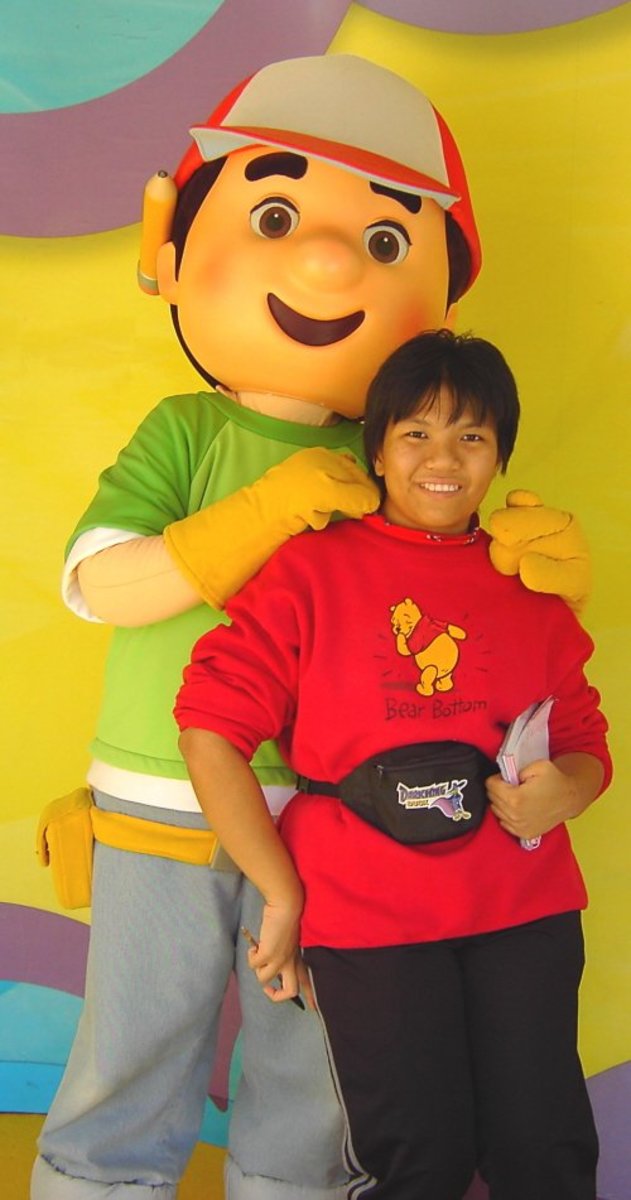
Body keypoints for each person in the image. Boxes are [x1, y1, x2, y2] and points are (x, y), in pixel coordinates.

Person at [33, 55, 592, 1200]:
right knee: (138, 1042)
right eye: (277, 217)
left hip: (339, 817)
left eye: (384, 240)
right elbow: (95, 584)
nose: (331, 262)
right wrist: (259, 515)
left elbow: (461, 624)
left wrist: (540, 578)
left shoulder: (394, 454)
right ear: (169, 249)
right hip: (163, 793)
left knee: (314, 1069)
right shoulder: (187, 431)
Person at [175, 329, 611, 1200]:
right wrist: (280, 891)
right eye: (416, 433)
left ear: (499, 456)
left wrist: (566, 790)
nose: (441, 460)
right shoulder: (307, 573)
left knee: (545, 1151)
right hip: (369, 917)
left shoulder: (529, 585)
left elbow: (584, 741)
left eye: (470, 436)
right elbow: (208, 732)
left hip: (521, 910)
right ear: (375, 448)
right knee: (419, 1157)